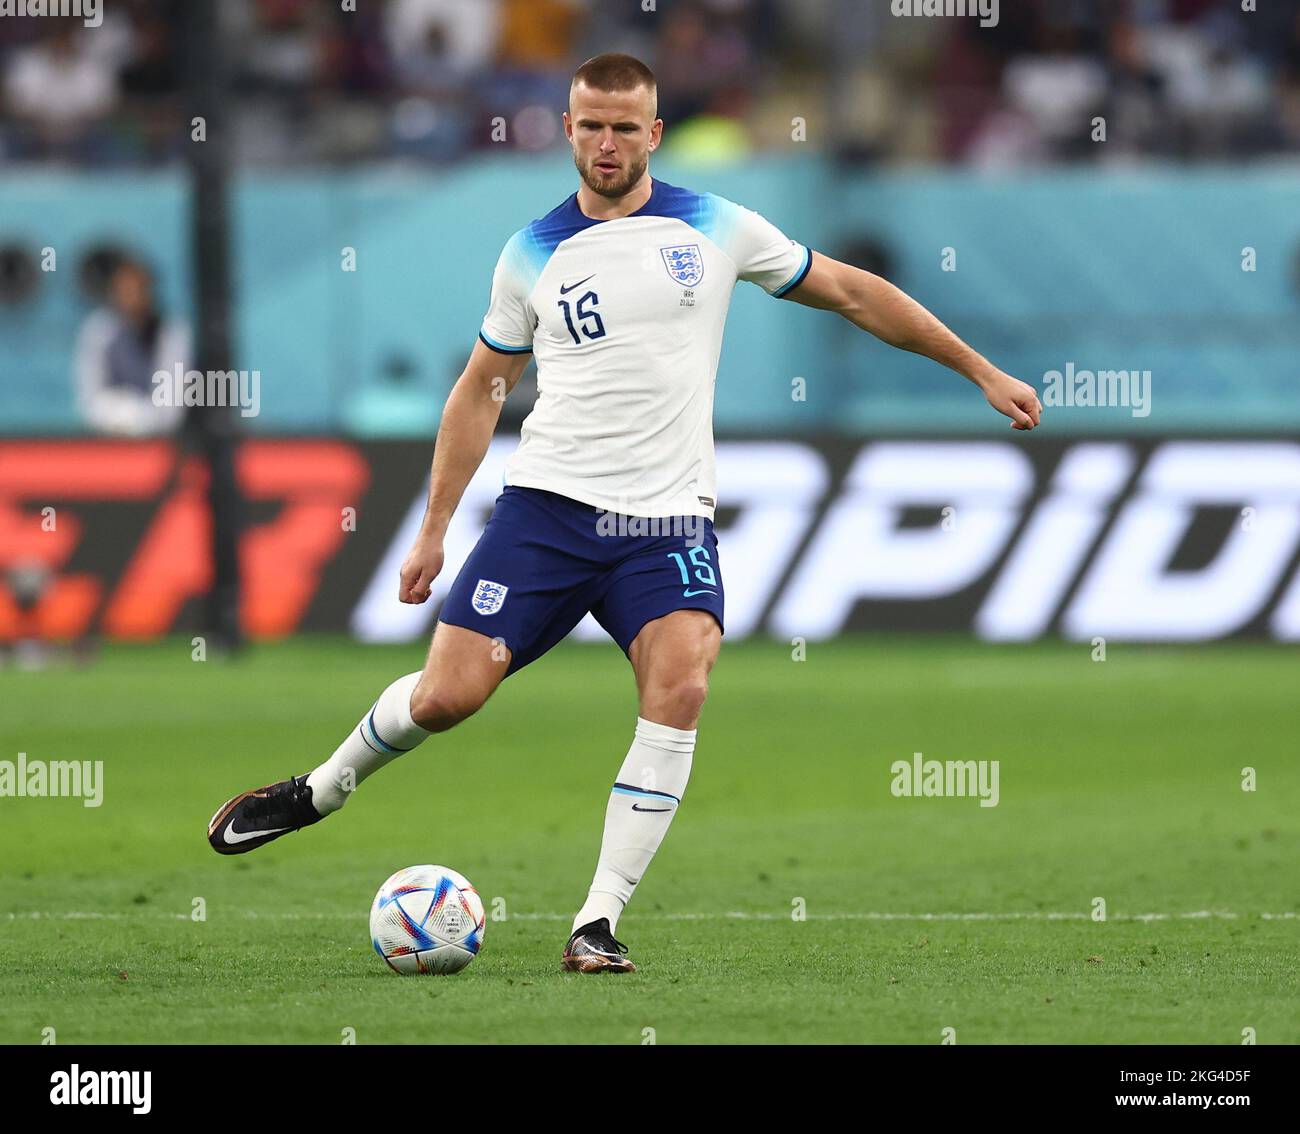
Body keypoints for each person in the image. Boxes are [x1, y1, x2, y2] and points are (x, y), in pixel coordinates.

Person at [207, 53, 1042, 974]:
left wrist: (981, 370)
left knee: (682, 685)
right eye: (589, 125)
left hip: (666, 522)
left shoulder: (716, 225)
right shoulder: (532, 252)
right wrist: (434, 528)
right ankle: (319, 791)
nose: (606, 143)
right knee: (447, 698)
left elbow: (852, 292)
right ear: (568, 129)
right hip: (547, 512)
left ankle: (596, 923)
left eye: (624, 127)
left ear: (653, 133)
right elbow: (482, 389)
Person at [75, 259, 188, 437]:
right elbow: (88, 399)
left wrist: (136, 417)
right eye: (124, 290)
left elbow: (170, 410)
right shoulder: (98, 330)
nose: (130, 297)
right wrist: (119, 414)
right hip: (106, 438)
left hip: (157, 439)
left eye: (137, 289)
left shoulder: (171, 333)